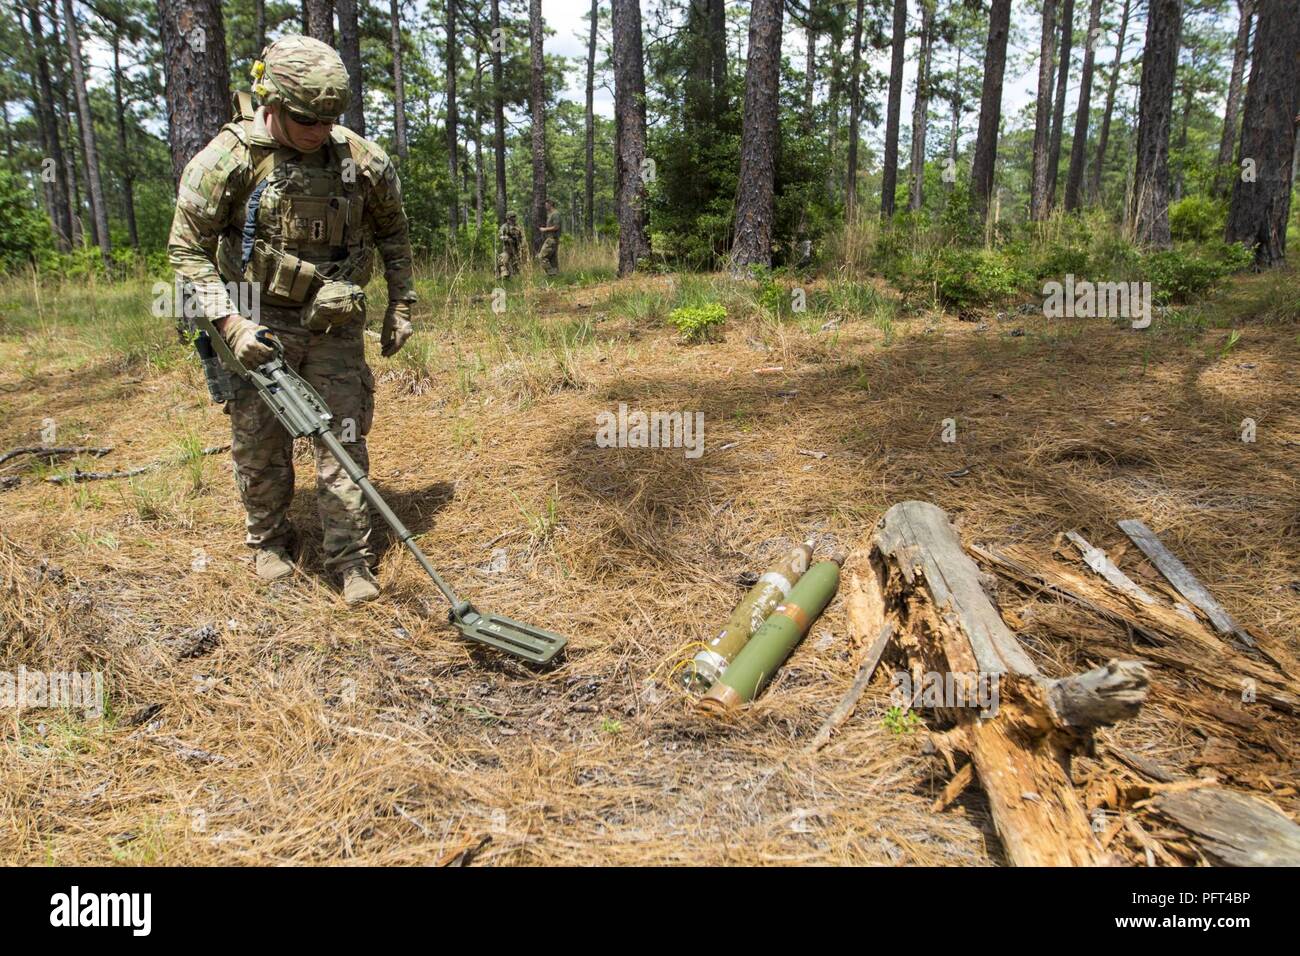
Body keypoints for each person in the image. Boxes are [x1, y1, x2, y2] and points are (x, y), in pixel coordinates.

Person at [168, 35, 417, 605]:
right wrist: (230, 322)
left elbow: (394, 234)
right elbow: (185, 250)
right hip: (255, 314)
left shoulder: (361, 160)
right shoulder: (229, 159)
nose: (319, 131)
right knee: (260, 439)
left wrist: (401, 305)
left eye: (330, 119)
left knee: (343, 437)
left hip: (334, 317)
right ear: (272, 102)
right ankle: (269, 544)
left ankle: (350, 559)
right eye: (307, 119)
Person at [537, 199, 561, 276]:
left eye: (546, 205)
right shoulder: (551, 214)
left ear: (550, 205)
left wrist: (545, 229)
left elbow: (556, 227)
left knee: (541, 257)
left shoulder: (555, 214)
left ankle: (551, 273)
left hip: (552, 239)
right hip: (551, 238)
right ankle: (555, 277)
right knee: (552, 260)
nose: (545, 207)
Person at [497, 212, 523, 279]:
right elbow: (500, 236)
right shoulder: (504, 226)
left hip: (516, 249)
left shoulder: (518, 227)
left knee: (516, 265)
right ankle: (504, 276)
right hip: (507, 249)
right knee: (502, 260)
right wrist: (506, 238)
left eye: (514, 217)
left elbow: (522, 237)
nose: (513, 219)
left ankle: (516, 279)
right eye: (512, 217)